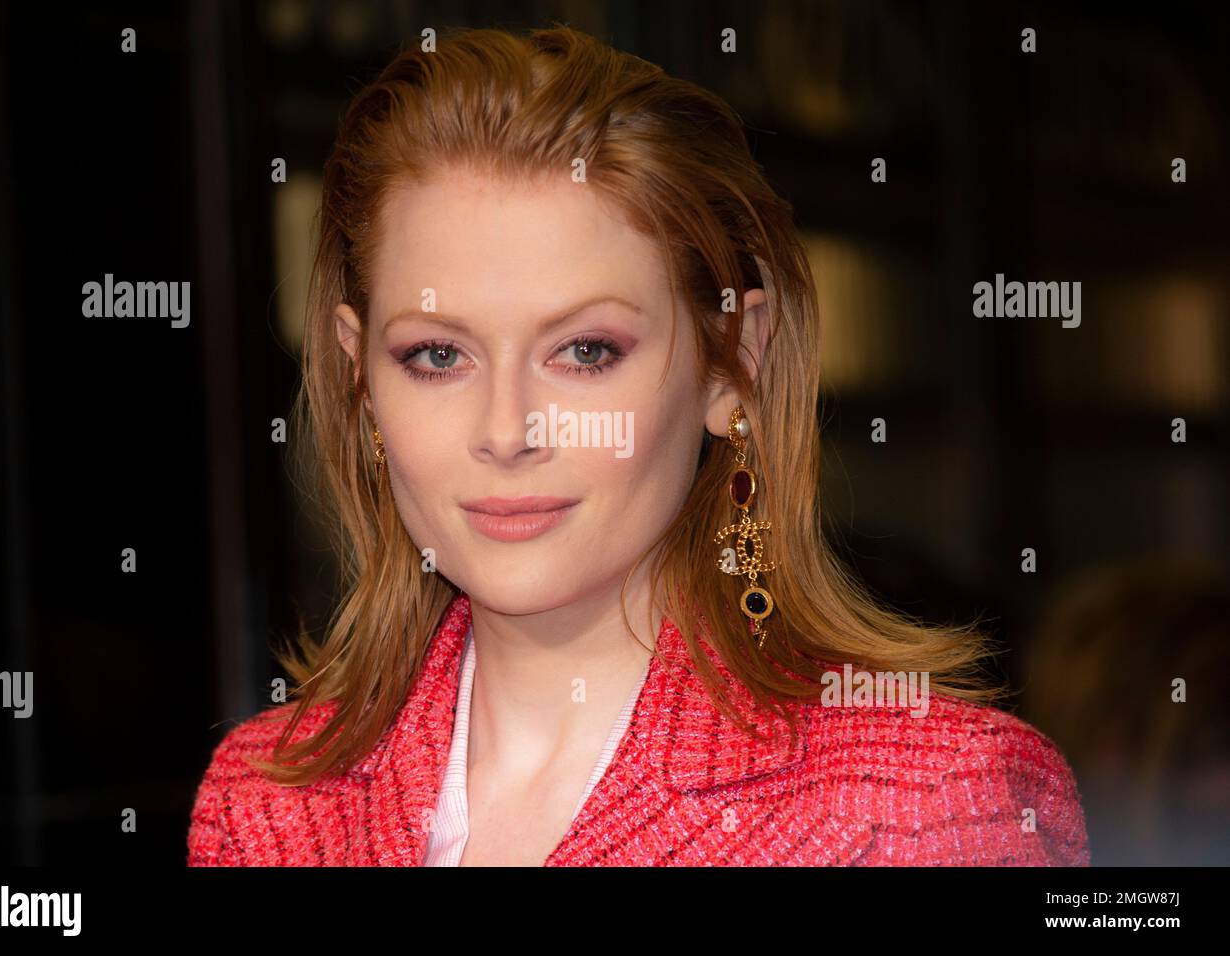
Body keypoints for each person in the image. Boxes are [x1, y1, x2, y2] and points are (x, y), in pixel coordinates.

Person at [187, 24, 1089, 866]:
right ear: (359, 379)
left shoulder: (927, 802)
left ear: (733, 362)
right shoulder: (267, 803)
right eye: (436, 355)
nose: (507, 431)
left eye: (585, 352)